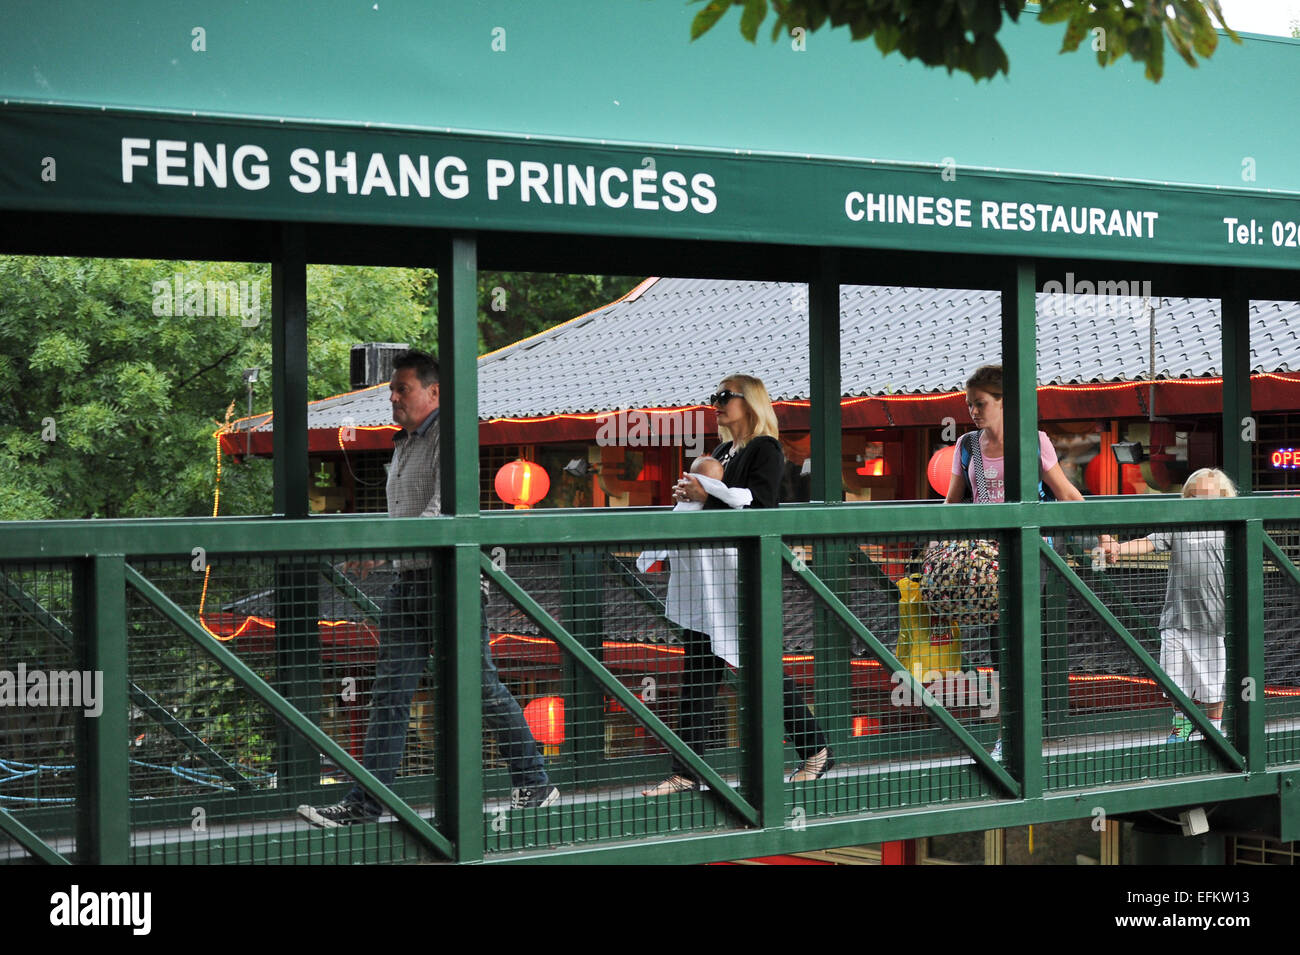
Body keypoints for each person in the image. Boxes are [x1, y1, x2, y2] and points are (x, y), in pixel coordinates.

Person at [298, 350, 556, 828]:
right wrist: (379, 545)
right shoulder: (405, 442)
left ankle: (534, 780)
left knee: (479, 685)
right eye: (392, 389)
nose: (392, 397)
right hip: (409, 580)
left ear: (433, 392)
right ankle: (365, 804)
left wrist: (381, 548)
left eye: (403, 389)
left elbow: (441, 512)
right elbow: (407, 515)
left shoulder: (451, 438)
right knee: (390, 692)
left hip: (450, 582)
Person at [642, 374, 831, 796]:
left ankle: (815, 749)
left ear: (750, 402)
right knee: (699, 671)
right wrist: (693, 492)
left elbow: (761, 505)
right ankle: (687, 771)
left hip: (741, 576)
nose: (717, 403)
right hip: (706, 578)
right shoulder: (722, 451)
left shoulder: (766, 448)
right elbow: (715, 499)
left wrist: (705, 493)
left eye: (725, 397)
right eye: (715, 396)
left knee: (757, 666)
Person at [940, 364, 1087, 762]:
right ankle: (1013, 732)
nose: (973, 411)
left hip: (1029, 552)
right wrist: (935, 546)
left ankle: (1022, 731)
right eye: (969, 404)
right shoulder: (967, 445)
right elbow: (953, 503)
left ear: (1004, 402)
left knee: (1017, 640)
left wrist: (1102, 531)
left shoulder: (1034, 440)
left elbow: (1064, 492)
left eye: (981, 403)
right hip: (983, 558)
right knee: (998, 647)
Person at [1103, 468, 1234, 742]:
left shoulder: (1228, 528)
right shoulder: (1179, 524)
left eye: (1208, 497)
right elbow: (1148, 543)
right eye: (1194, 497)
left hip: (1213, 619)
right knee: (1174, 677)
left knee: (1212, 679)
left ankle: (1213, 729)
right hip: (1175, 617)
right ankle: (1181, 726)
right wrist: (1118, 549)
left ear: (1223, 497)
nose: (1201, 502)